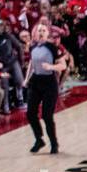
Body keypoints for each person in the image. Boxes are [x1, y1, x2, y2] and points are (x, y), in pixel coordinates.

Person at [26, 22, 68, 153]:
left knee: (47, 115)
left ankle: (54, 143)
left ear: (47, 33)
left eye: (43, 30)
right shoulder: (32, 47)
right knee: (30, 113)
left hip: (49, 82)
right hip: (36, 81)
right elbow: (31, 63)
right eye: (39, 30)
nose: (41, 32)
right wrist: (26, 79)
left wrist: (51, 67)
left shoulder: (53, 47)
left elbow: (63, 66)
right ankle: (39, 139)